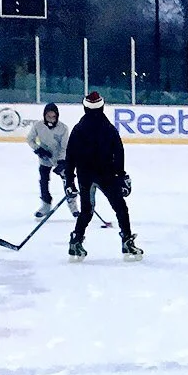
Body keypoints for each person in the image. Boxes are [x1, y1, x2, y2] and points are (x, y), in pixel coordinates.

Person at [62, 90, 142, 261]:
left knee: (87, 211)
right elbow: (119, 153)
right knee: (121, 208)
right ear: (102, 107)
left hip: (86, 176)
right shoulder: (109, 129)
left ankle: (75, 242)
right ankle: (127, 241)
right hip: (107, 175)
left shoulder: (78, 129)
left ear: (85, 107)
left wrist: (69, 180)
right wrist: (121, 176)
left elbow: (70, 157)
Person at [25, 103, 70, 218]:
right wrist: (39, 149)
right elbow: (30, 140)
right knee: (44, 181)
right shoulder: (38, 126)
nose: (51, 119)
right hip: (45, 158)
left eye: (53, 117)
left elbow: (65, 147)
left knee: (68, 182)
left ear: (57, 116)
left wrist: (61, 161)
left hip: (60, 159)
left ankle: (73, 207)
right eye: (48, 117)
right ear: (44, 116)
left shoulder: (63, 128)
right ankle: (46, 204)